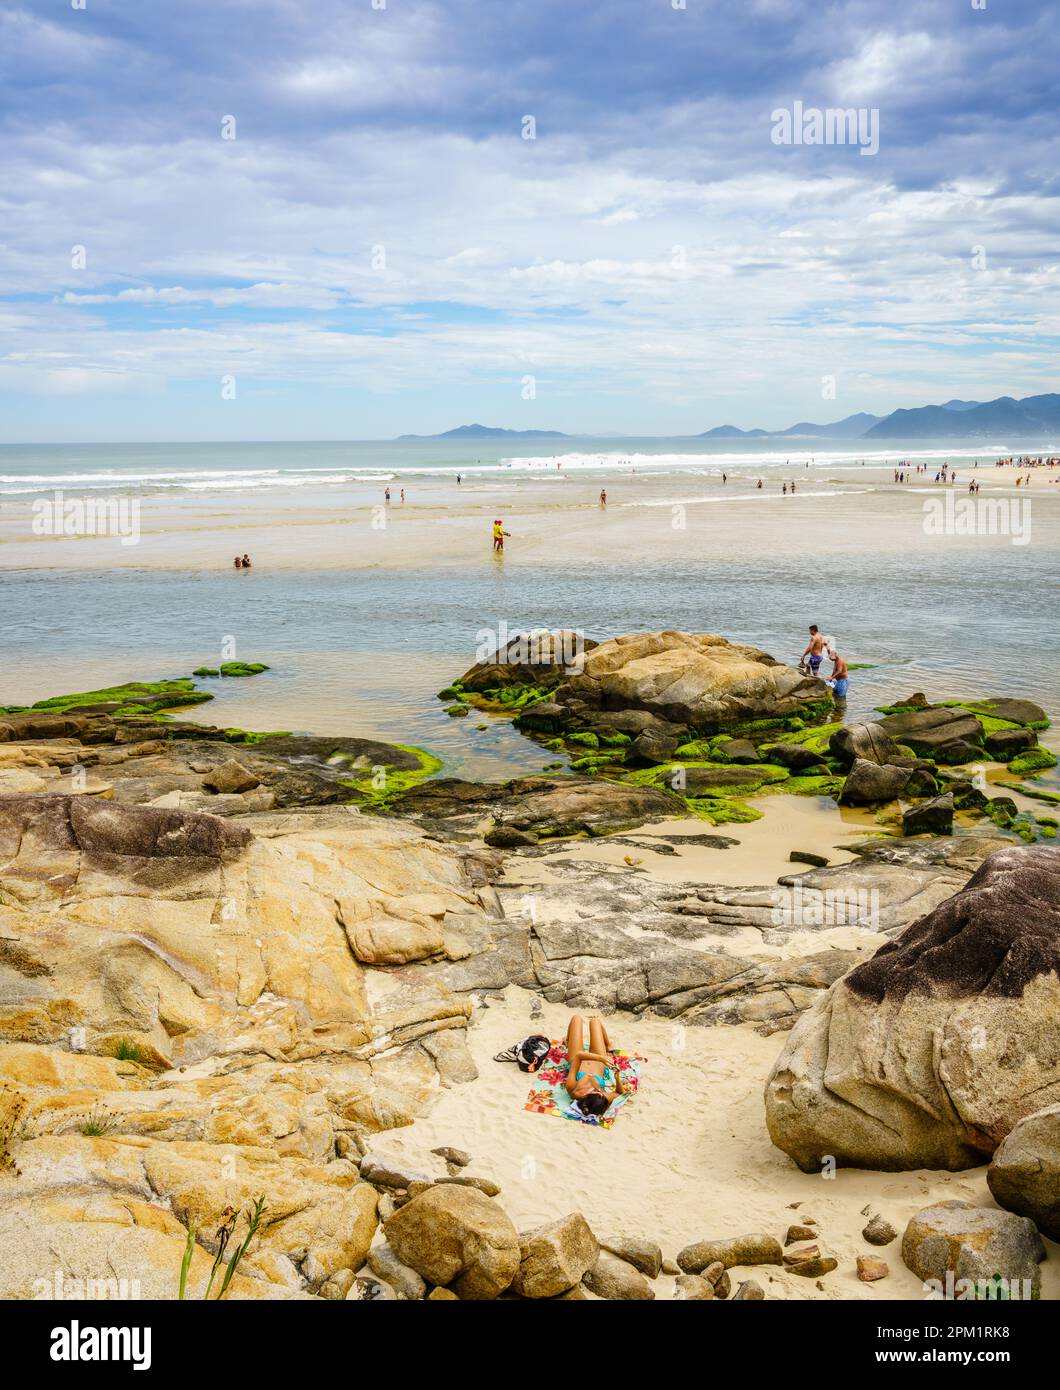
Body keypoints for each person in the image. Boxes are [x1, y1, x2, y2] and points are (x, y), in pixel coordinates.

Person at [563, 1014, 625, 1118]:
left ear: (585, 1098)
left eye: (595, 1091)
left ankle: (568, 1041)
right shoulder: (601, 1099)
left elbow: (579, 1056)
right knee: (595, 1021)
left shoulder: (572, 1089)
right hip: (598, 1063)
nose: (600, 1090)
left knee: (577, 1018)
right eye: (601, 1092)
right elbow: (619, 1092)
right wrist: (617, 1078)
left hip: (578, 1058)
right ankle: (608, 1044)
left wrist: (601, 1058)